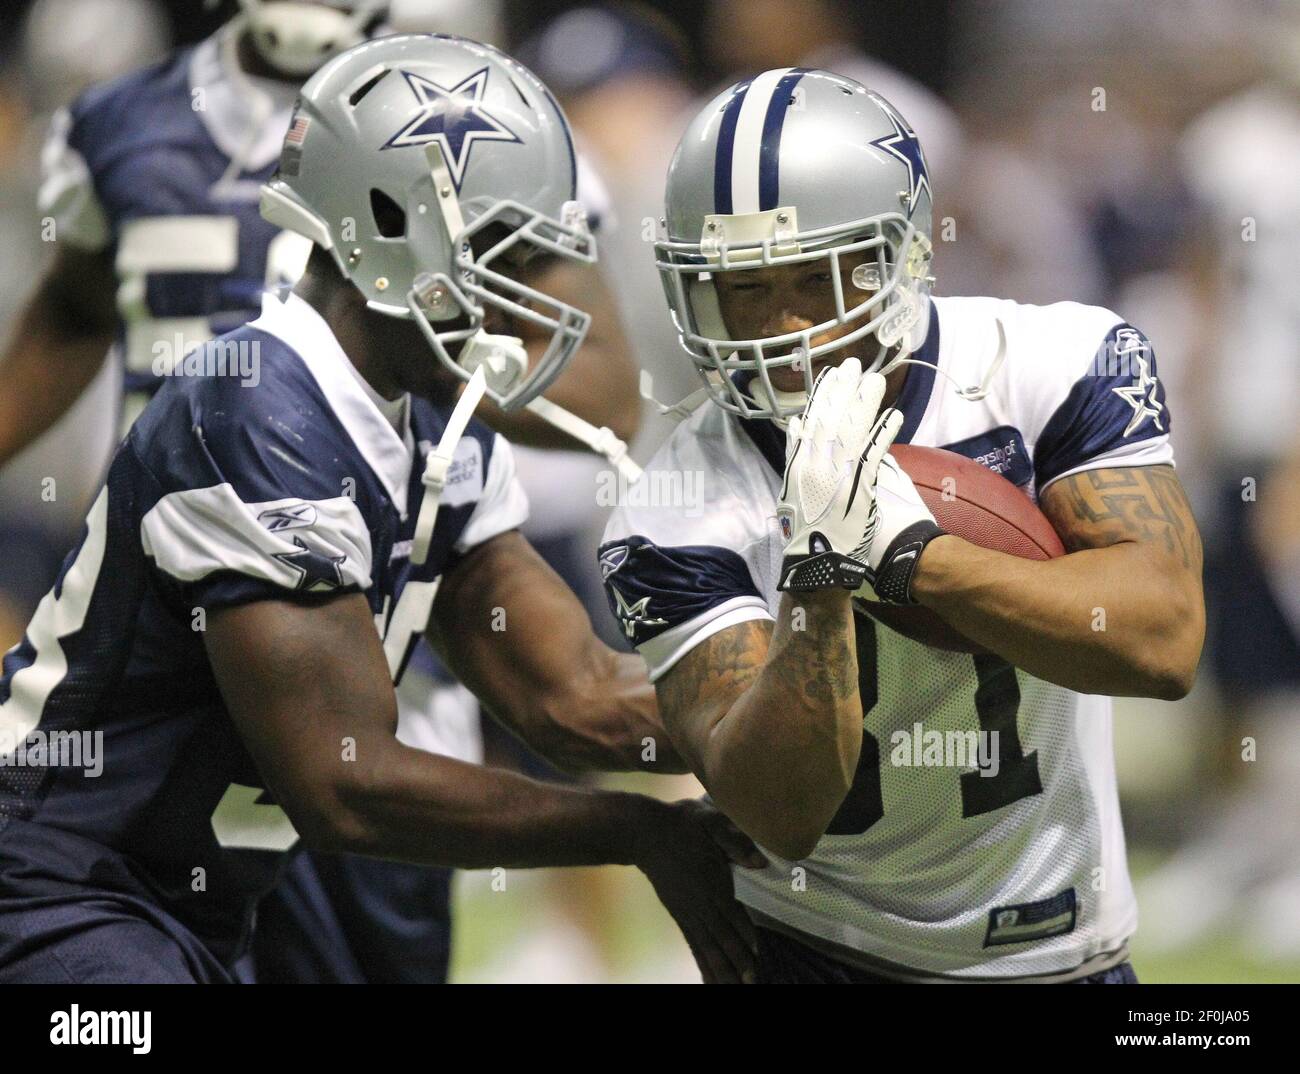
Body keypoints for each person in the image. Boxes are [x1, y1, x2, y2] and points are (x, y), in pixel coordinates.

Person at [0, 33, 763, 986]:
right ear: (385, 230)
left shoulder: (430, 416)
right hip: (54, 889)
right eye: (504, 246)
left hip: (183, 908)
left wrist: (791, 722)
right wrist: (639, 828)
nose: (532, 288)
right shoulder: (258, 411)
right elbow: (347, 784)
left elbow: (574, 694)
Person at [600, 69, 1204, 983]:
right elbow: (780, 810)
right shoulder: (675, 506)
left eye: (812, 277)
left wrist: (916, 558)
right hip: (826, 953)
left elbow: (1162, 643)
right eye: (741, 288)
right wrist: (817, 574)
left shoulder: (1048, 366)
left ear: (899, 256)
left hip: (1069, 950)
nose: (782, 329)